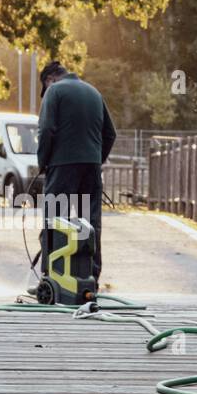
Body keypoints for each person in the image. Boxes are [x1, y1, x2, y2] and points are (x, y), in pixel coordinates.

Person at [36, 60, 116, 282]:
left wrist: (43, 162)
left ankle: (51, 276)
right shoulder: (94, 92)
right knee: (90, 222)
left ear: (50, 79)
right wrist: (96, 159)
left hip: (62, 167)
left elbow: (46, 130)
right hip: (91, 168)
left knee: (54, 219)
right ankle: (91, 275)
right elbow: (110, 134)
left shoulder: (54, 91)